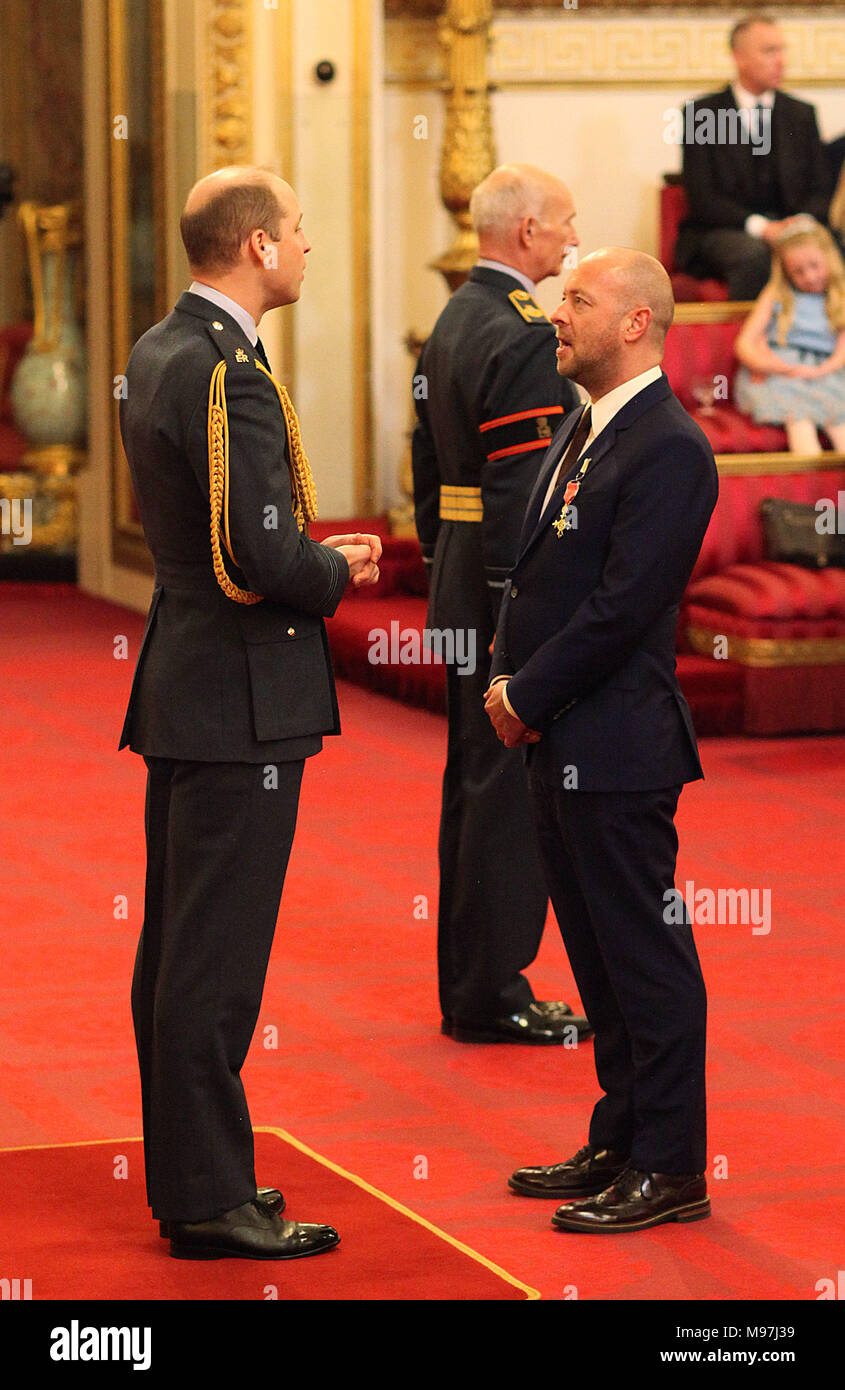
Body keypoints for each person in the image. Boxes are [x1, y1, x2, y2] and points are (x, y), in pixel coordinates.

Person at [119, 166, 380, 1260]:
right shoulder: (227, 373)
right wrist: (330, 571)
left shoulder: (158, 346)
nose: (309, 247)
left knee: (179, 947)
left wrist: (303, 556)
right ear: (257, 246)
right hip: (237, 688)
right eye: (300, 230)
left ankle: (197, 1177)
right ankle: (207, 1196)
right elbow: (255, 554)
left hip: (189, 675)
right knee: (213, 961)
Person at [485, 248, 719, 1233]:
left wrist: (523, 691)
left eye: (575, 300)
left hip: (617, 744)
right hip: (561, 734)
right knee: (594, 951)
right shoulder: (586, 426)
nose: (554, 316)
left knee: (644, 955)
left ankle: (670, 1165)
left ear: (634, 322)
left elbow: (624, 608)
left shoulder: (668, 446)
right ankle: (620, 1133)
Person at [412, 163, 590, 1045]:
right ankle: (492, 990)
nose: (570, 235)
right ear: (524, 231)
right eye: (561, 222)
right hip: (493, 582)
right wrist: (520, 602)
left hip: (456, 565)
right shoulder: (523, 332)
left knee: (471, 776)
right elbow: (521, 483)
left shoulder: (455, 312)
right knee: (503, 785)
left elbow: (423, 457)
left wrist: (436, 556)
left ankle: (471, 981)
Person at [675, 13, 832, 301]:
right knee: (753, 255)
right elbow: (703, 199)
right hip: (726, 231)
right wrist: (762, 228)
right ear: (739, 57)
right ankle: (754, 344)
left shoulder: (801, 113)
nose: (781, 60)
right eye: (769, 51)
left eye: (783, 50)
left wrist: (801, 224)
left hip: (794, 225)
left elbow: (821, 187)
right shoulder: (704, 114)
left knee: (829, 247)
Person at [734, 218, 845, 454]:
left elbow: (842, 352)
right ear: (786, 271)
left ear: (829, 258)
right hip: (782, 373)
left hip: (828, 372)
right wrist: (770, 365)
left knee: (840, 424)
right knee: (799, 421)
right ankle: (807, 488)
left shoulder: (840, 294)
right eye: (798, 271)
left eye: (815, 266)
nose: (810, 276)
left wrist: (820, 371)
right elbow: (745, 344)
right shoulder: (777, 293)